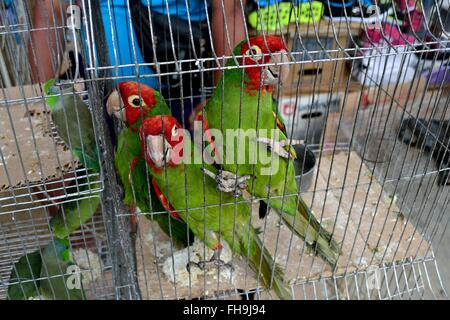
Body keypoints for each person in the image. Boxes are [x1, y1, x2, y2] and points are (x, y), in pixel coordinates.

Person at [29, 0, 247, 126]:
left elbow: (230, 10)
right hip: (115, 93)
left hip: (187, 72)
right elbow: (51, 12)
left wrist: (224, 103)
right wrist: (39, 116)